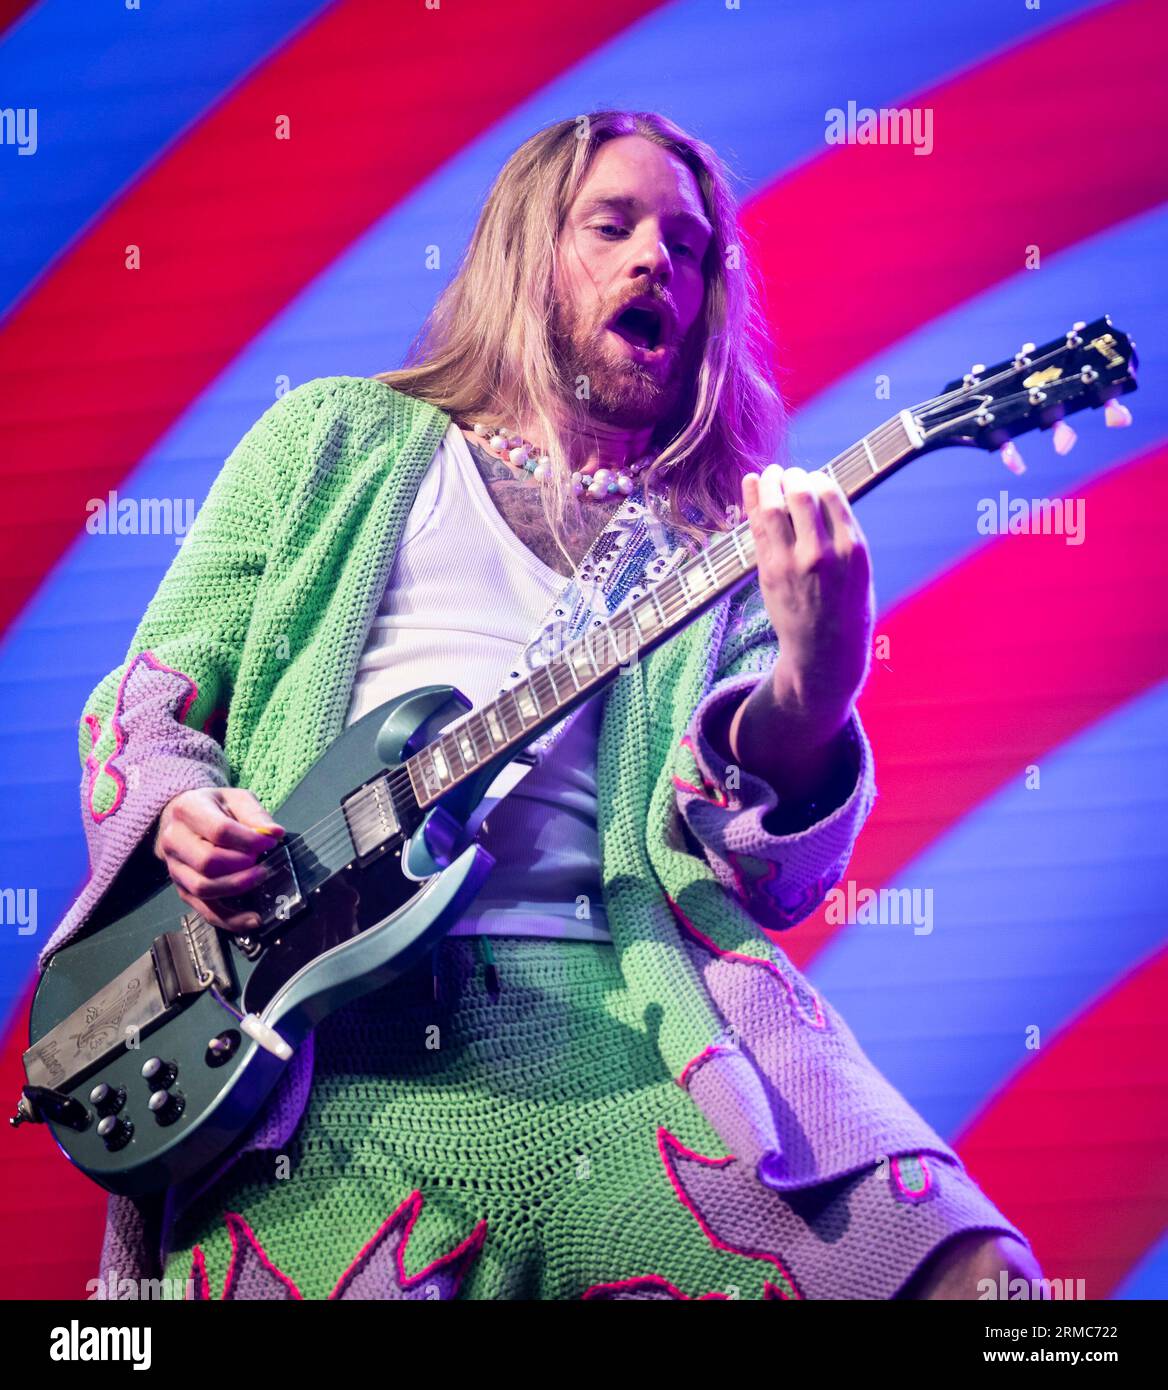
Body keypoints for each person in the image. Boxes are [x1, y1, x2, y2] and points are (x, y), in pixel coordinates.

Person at [43, 110, 1042, 1300]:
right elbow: (146, 697)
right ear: (527, 253)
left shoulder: (715, 546)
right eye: (610, 225)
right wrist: (183, 809)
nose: (653, 261)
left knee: (972, 1283)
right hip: (317, 1050)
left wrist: (814, 690)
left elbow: (760, 872)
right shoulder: (330, 442)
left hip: (628, 1034)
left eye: (686, 244)